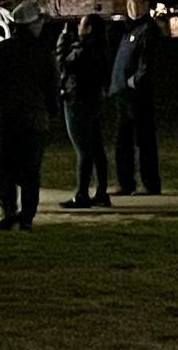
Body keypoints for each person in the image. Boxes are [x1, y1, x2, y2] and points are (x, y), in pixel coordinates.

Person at [0, 1, 60, 230]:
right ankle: (27, 215)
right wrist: (51, 110)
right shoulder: (43, 53)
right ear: (33, 25)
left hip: (7, 119)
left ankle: (8, 211)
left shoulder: (2, 50)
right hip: (35, 120)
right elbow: (52, 86)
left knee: (6, 168)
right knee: (31, 170)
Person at [56, 14, 113, 209]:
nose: (79, 27)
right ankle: (101, 191)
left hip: (77, 100)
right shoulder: (100, 48)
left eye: (82, 24)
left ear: (88, 29)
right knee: (96, 147)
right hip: (94, 99)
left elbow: (63, 64)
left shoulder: (84, 49)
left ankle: (82, 193)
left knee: (83, 149)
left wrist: (63, 40)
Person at [109, 0, 162, 195]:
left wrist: (134, 82)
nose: (132, 8)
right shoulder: (130, 29)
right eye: (129, 3)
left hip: (137, 96)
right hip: (124, 94)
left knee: (143, 140)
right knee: (123, 141)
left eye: (136, 3)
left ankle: (149, 183)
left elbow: (146, 64)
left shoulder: (147, 30)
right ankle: (126, 182)